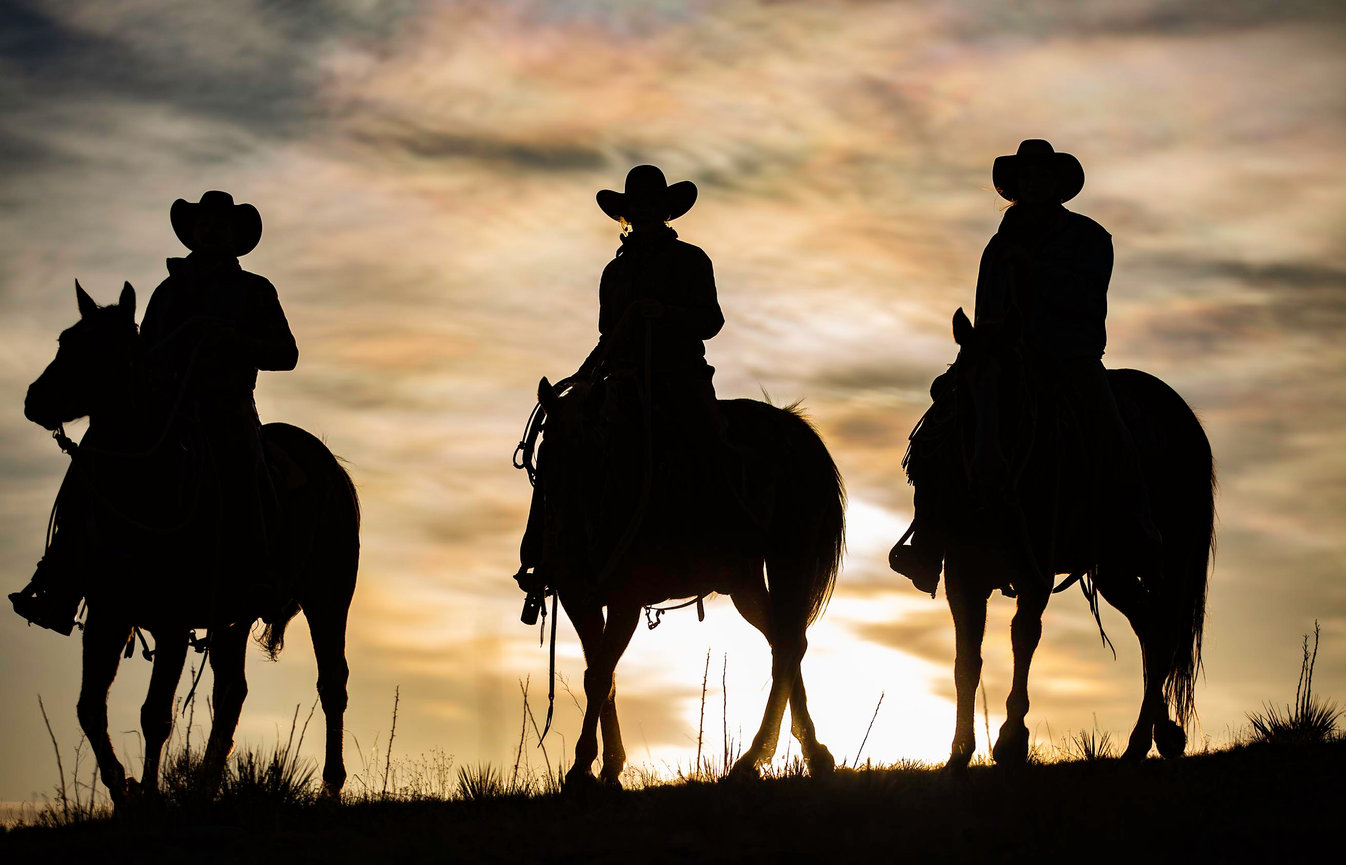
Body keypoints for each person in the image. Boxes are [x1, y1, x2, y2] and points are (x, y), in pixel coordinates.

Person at [10, 190, 297, 632]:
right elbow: (146, 355)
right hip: (167, 408)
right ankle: (58, 580)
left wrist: (232, 339)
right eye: (204, 225)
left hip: (226, 407)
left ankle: (260, 580)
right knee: (92, 461)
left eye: (220, 226)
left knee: (242, 468)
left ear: (233, 235)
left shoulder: (254, 291)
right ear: (193, 233)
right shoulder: (168, 291)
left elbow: (286, 353)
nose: (210, 232)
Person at [890, 139, 1161, 594]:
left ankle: (1138, 529)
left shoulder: (1089, 238)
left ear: (1057, 186)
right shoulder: (998, 245)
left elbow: (1088, 299)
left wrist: (1034, 271)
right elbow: (985, 309)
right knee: (938, 427)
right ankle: (928, 541)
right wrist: (972, 356)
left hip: (1069, 356)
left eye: (1043, 177)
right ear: (1017, 187)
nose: (1034, 184)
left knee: (1107, 426)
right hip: (1003, 358)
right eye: (1027, 178)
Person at [514, 165, 725, 594]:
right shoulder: (615, 274)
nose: (645, 213)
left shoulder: (691, 260)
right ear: (627, 214)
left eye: (652, 206)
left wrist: (665, 314)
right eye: (637, 207)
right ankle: (540, 554)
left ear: (666, 211)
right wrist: (586, 378)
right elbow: (607, 335)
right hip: (622, 379)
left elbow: (711, 321)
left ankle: (726, 533)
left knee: (708, 441)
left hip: (679, 377)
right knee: (561, 438)